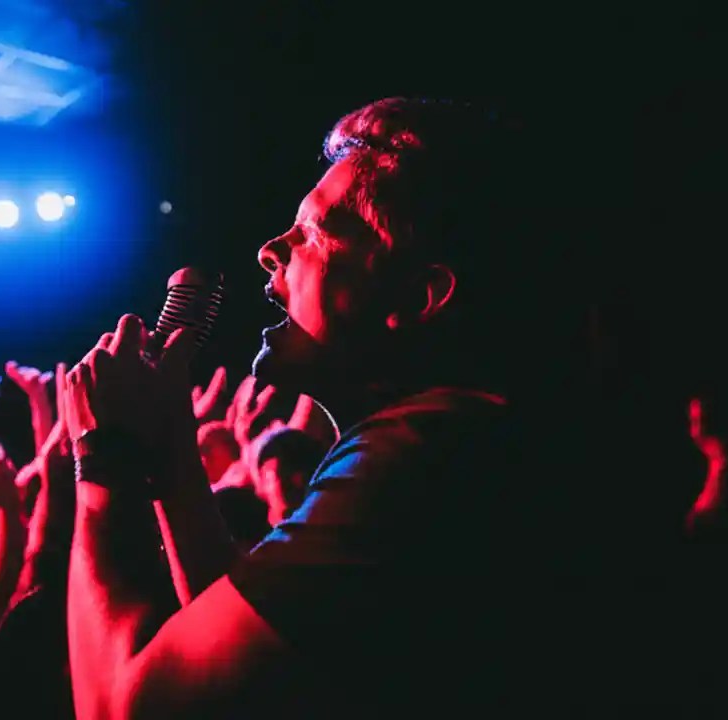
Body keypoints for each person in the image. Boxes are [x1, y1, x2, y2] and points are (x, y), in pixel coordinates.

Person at [59, 98, 591, 717]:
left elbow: (123, 708)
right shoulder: (454, 436)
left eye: (315, 232)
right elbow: (241, 649)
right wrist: (171, 444)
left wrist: (105, 462)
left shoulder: (423, 456)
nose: (270, 249)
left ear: (419, 296)